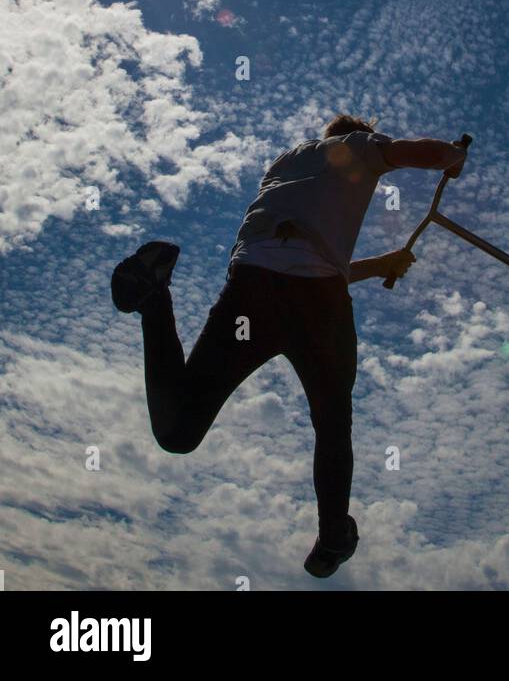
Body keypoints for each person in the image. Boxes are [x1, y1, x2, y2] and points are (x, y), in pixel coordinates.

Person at [111, 115, 467, 578]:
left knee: (177, 432)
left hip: (252, 291)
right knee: (333, 421)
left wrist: (380, 265)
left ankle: (155, 296)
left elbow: (302, 254)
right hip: (317, 306)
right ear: (353, 132)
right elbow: (422, 152)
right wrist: (453, 157)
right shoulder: (357, 145)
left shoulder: (285, 165)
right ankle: (334, 535)